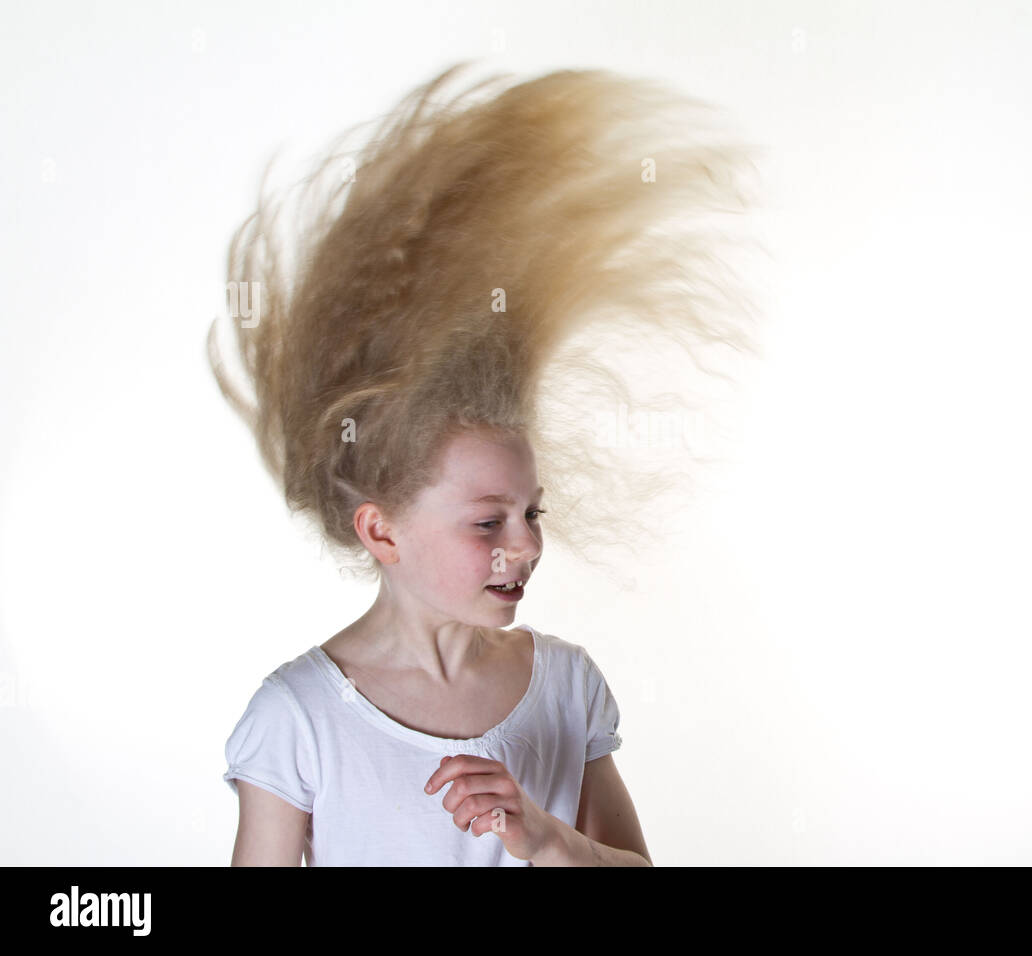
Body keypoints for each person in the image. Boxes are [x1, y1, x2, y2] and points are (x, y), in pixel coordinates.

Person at [207, 59, 763, 865]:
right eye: (488, 521)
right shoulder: (296, 720)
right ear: (382, 531)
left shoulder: (566, 689)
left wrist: (543, 836)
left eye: (532, 512)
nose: (528, 543)